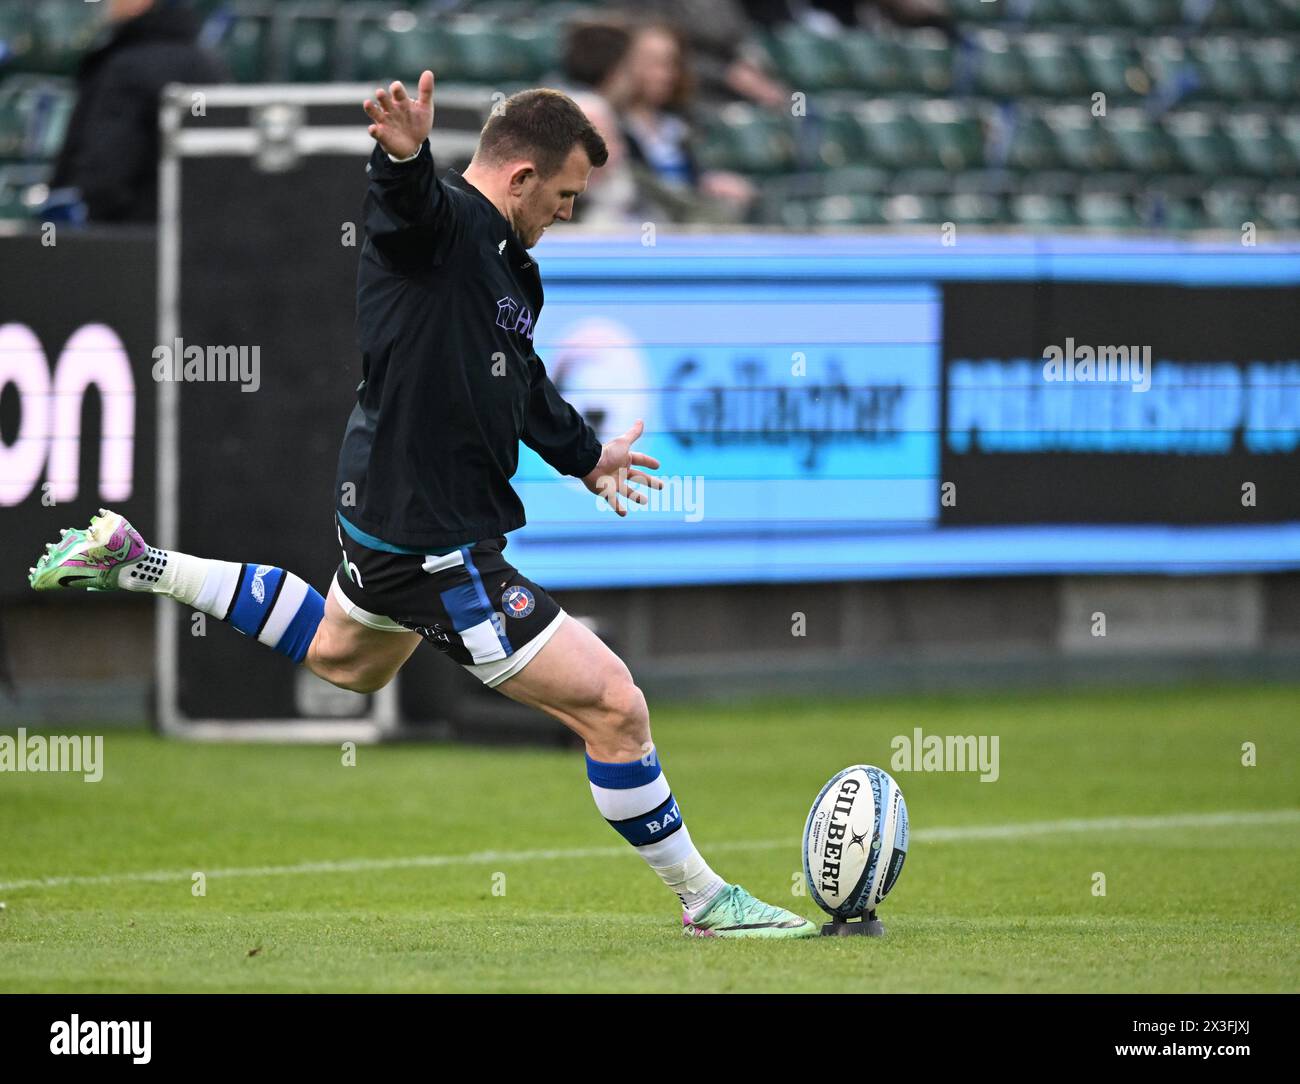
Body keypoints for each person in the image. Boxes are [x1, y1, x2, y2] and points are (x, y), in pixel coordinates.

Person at [29, 72, 816, 940]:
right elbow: (408, 212)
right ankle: (707, 901)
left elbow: (519, 383)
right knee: (617, 707)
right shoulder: (441, 225)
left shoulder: (509, 266)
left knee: (346, 658)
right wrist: (401, 156)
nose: (567, 212)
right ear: (519, 179)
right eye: (563, 196)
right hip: (435, 541)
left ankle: (144, 561)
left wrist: (590, 457)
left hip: (386, 515)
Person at [50, 0, 226, 223]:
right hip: (194, 241)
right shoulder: (209, 65)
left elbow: (105, 176)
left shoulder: (125, 68)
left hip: (121, 243)